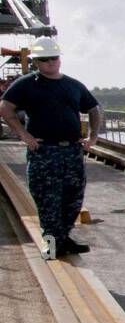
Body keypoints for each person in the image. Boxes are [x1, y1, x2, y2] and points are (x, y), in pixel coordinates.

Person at [0, 37, 101, 257]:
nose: (50, 63)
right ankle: (52, 246)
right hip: (44, 152)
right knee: (47, 201)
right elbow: (5, 108)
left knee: (72, 200)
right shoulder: (26, 84)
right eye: (44, 59)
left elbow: (94, 108)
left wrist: (93, 136)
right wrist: (24, 135)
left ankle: (63, 239)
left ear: (59, 59)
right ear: (36, 61)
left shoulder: (73, 85)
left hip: (72, 152)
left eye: (54, 58)